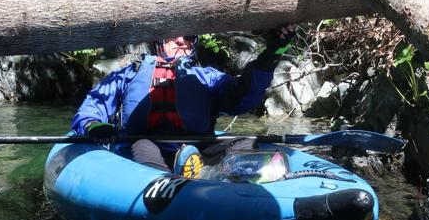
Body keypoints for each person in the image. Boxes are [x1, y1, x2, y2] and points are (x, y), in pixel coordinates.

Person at [71, 26, 296, 176]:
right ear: (159, 42)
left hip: (197, 148)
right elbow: (92, 107)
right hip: (143, 144)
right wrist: (95, 125)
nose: (180, 41)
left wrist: (270, 56)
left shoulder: (206, 76)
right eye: (173, 36)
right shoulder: (130, 73)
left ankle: (229, 176)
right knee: (143, 146)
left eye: (188, 38)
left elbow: (242, 97)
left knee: (244, 141)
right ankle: (165, 183)